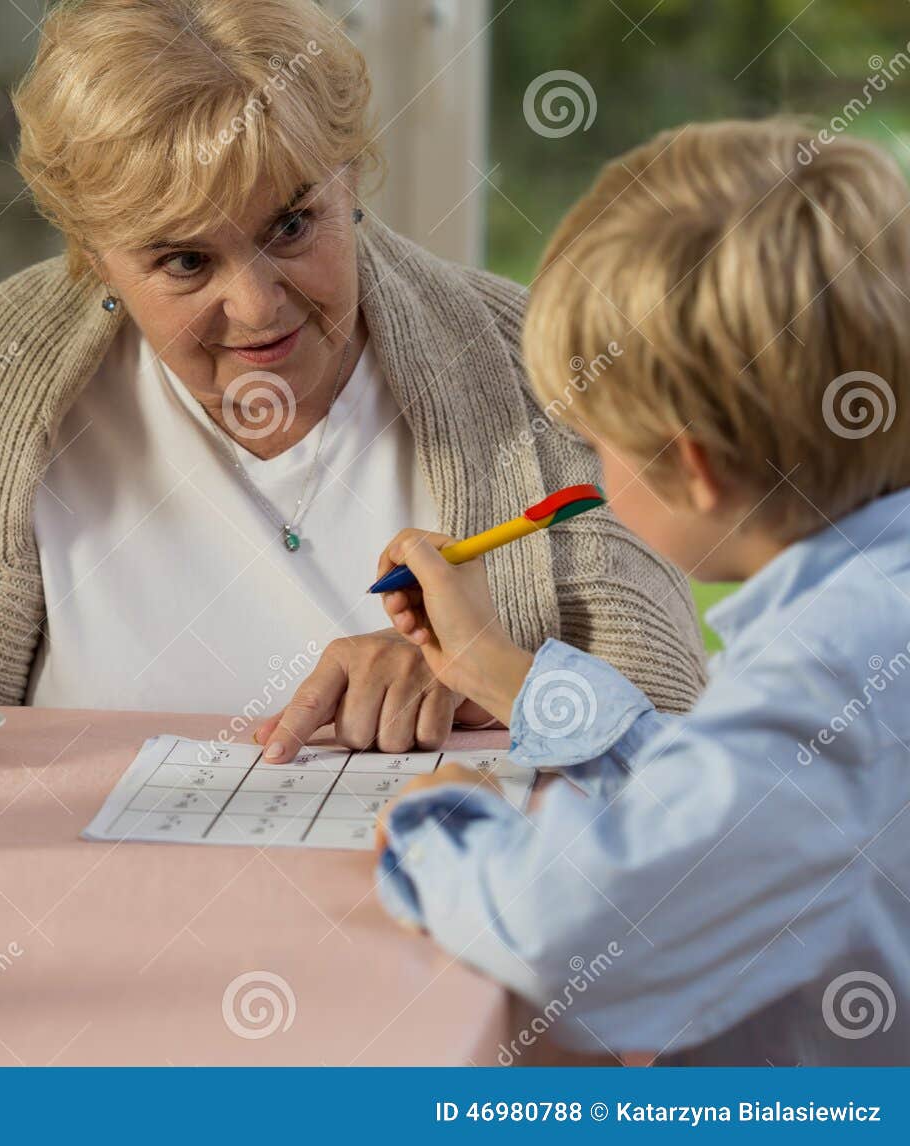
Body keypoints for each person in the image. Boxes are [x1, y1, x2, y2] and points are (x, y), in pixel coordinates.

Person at [0, 0, 705, 749]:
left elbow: (683, 736)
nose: (257, 306)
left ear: (351, 177)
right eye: (186, 260)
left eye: (292, 225)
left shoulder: (540, 363)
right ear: (95, 257)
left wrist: (489, 685)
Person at [372, 120, 910, 1063]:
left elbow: (571, 929)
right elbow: (741, 802)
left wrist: (441, 817)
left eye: (602, 440)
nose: (593, 466)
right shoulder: (870, 613)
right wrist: (505, 671)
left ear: (694, 468)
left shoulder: (833, 661)